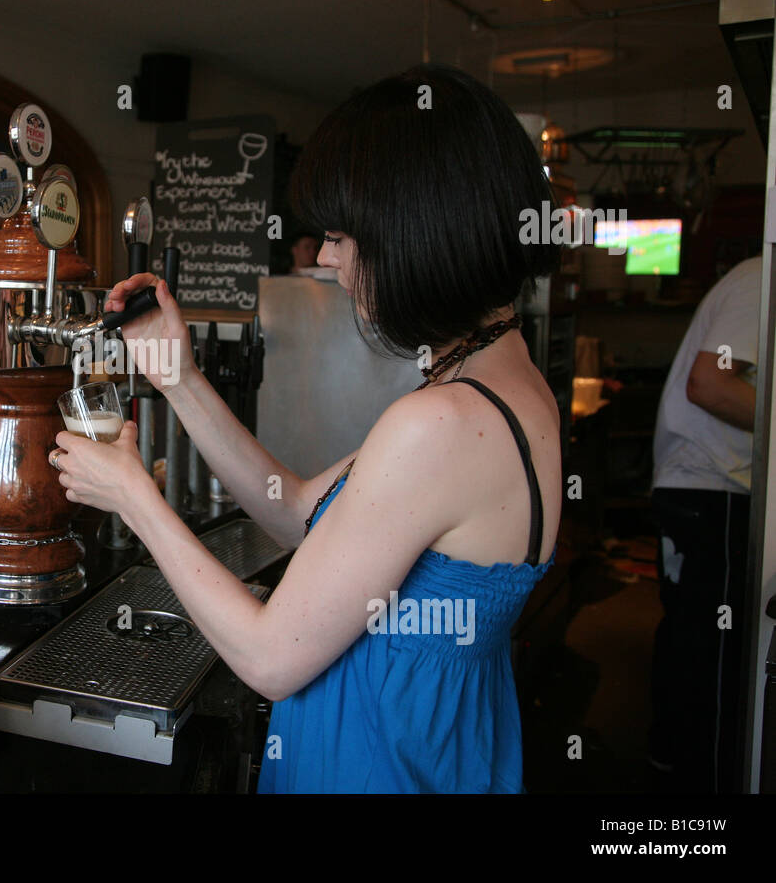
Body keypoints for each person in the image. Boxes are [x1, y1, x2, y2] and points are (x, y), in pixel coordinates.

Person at [49, 64, 562, 792]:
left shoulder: (443, 422)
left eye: (341, 235)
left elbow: (268, 657)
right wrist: (179, 378)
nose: (324, 257)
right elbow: (296, 512)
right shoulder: (498, 382)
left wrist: (135, 496)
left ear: (414, 231)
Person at [649, 253, 761, 792]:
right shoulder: (763, 279)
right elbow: (711, 385)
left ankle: (669, 765)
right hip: (711, 489)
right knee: (712, 655)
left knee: (692, 639)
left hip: (709, 490)